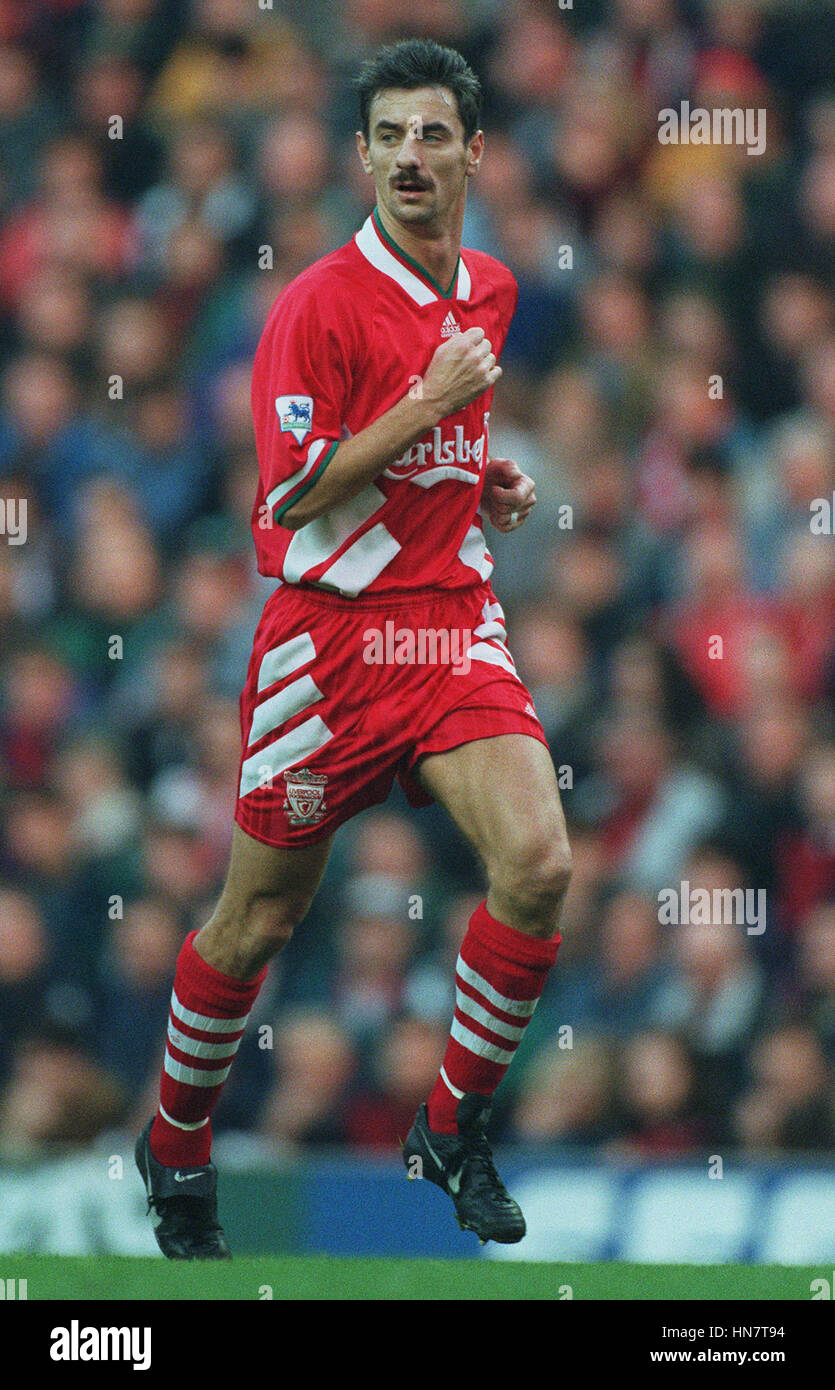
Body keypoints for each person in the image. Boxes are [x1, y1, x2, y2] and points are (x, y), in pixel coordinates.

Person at [136, 38, 572, 1259]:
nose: (409, 159)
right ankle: (173, 1144)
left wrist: (478, 474)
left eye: (432, 136)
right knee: (256, 922)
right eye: (387, 138)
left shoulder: (486, 286)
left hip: (449, 625)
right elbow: (290, 495)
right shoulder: (317, 303)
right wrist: (432, 411)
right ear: (362, 156)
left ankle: (450, 1124)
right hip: (326, 646)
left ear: (475, 152)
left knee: (537, 863)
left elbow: (420, 445)